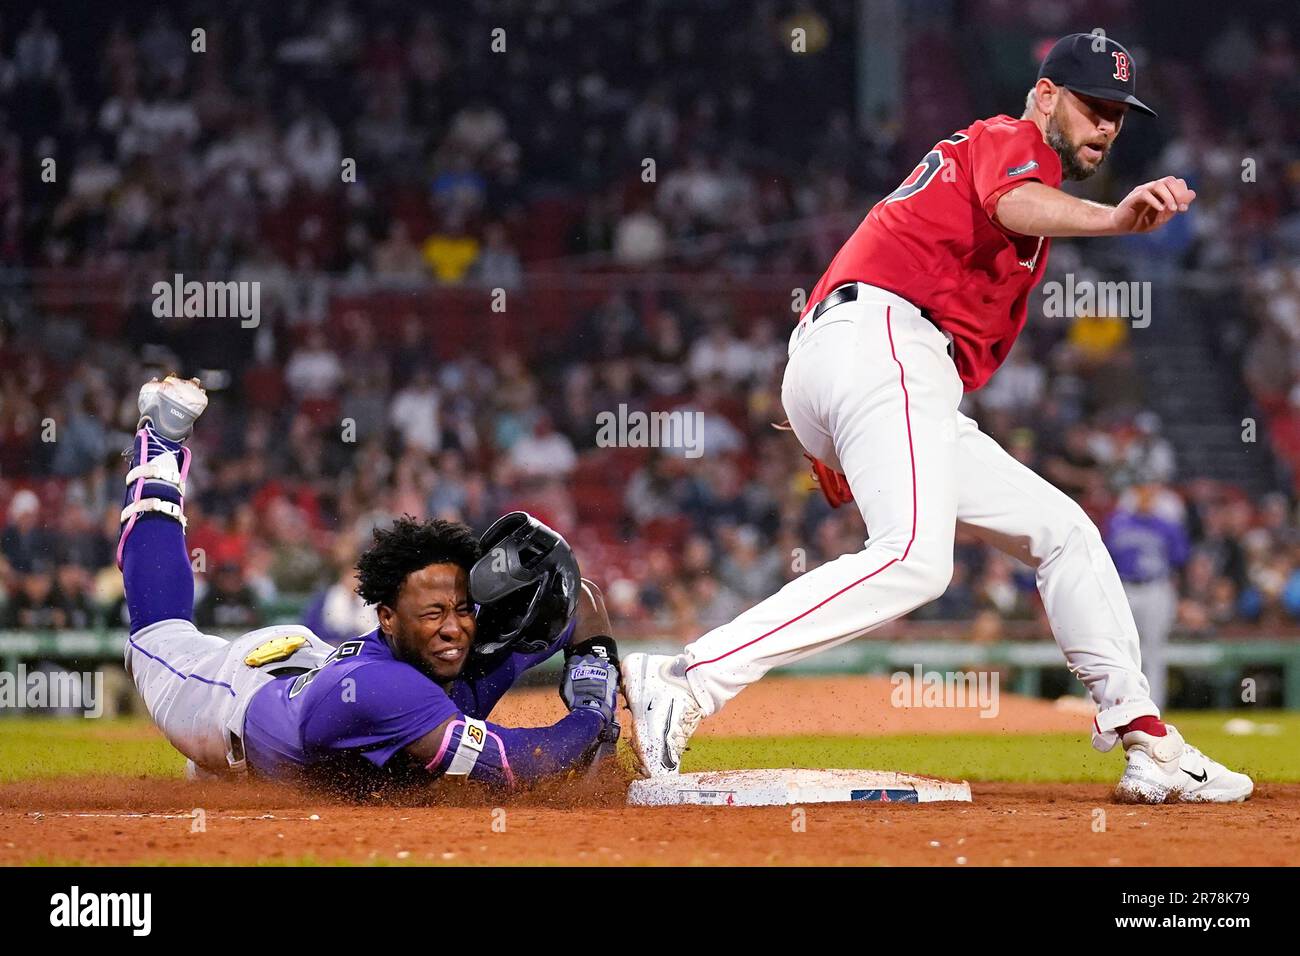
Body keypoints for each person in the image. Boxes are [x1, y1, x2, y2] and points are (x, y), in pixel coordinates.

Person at [620, 34, 1252, 804]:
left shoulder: (1014, 170)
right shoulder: (1009, 140)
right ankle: (686, 679)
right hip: (885, 341)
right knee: (916, 559)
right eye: (1095, 107)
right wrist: (1117, 221)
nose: (1108, 126)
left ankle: (1144, 735)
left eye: (1119, 115)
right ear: (1047, 95)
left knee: (1065, 532)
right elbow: (1013, 201)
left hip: (878, 361)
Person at [119, 376, 620, 793]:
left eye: (462, 608)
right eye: (431, 614)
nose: (453, 628)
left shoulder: (471, 634)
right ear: (386, 617)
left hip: (318, 676)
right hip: (235, 699)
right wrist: (595, 716)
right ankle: (159, 444)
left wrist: (601, 697)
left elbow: (585, 601)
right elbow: (514, 765)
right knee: (156, 635)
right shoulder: (384, 689)